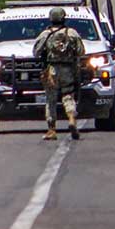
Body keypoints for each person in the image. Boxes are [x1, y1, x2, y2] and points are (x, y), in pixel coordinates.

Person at [33, 7, 85, 141]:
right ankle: (72, 119)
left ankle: (52, 130)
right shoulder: (72, 33)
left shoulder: (45, 34)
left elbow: (36, 52)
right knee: (68, 95)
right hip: (68, 69)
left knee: (51, 99)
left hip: (52, 70)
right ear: (64, 18)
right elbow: (81, 51)